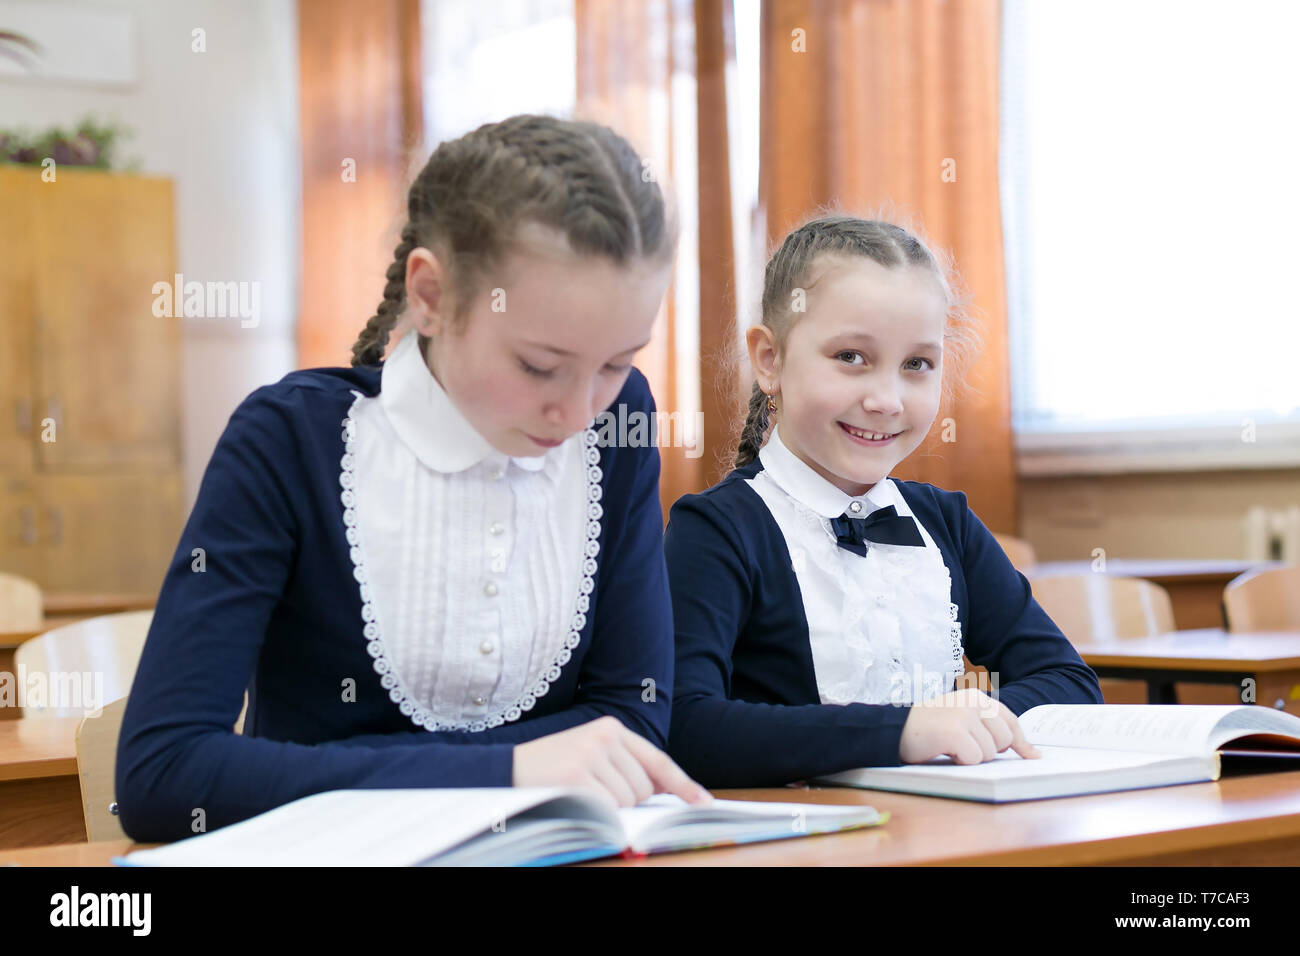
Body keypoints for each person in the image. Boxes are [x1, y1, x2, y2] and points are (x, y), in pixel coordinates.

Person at [116, 114, 710, 843]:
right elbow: (164, 774)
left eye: (618, 363)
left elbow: (634, 718)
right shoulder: (288, 440)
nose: (582, 411)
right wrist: (513, 769)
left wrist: (356, 767)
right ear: (429, 295)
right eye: (538, 365)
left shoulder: (621, 427)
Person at [664, 213, 1103, 788]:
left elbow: (1068, 682)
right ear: (769, 359)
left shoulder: (945, 522)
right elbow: (685, 726)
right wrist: (904, 731)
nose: (886, 399)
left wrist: (966, 719)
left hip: (949, 834)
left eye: (916, 365)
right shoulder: (718, 530)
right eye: (851, 357)